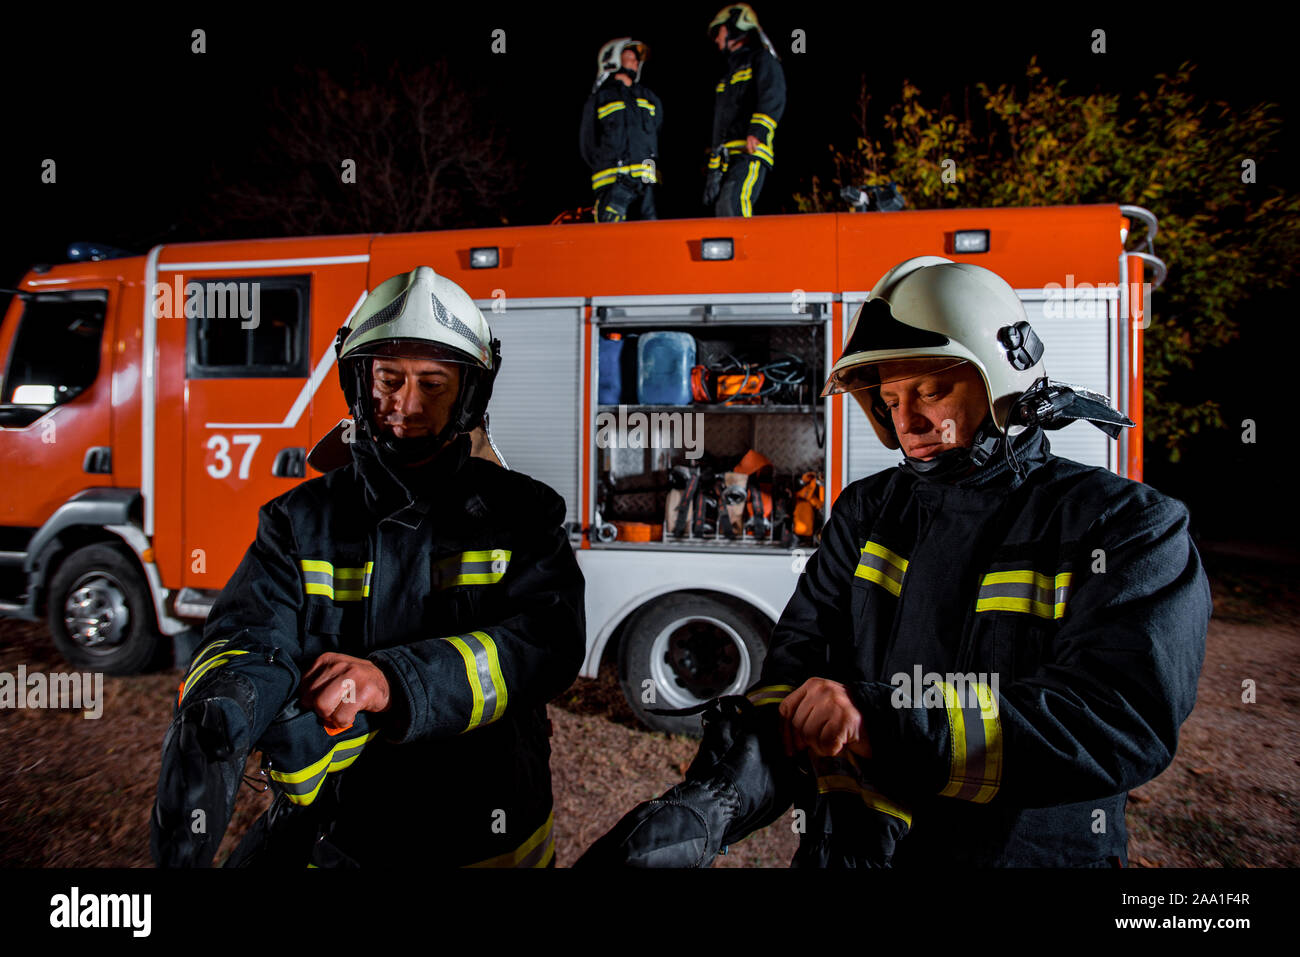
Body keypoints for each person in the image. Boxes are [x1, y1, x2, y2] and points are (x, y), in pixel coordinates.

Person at [577, 255, 1211, 867]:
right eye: (889, 399)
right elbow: (797, 670)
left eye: (932, 390)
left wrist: (880, 721)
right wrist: (718, 802)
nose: (907, 420)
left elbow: (1117, 721)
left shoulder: (1124, 525)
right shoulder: (868, 511)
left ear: (1000, 376)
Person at [151, 266, 586, 868]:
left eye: (433, 383)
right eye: (389, 378)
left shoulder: (521, 513)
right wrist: (231, 698)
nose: (406, 405)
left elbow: (548, 643)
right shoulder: (298, 519)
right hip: (345, 831)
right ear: (359, 380)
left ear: (468, 393)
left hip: (487, 834)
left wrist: (392, 680)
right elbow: (250, 631)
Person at [704, 4, 785, 217]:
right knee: (723, 211)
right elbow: (720, 124)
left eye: (719, 31)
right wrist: (713, 168)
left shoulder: (761, 59)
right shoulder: (727, 76)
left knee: (734, 205)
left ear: (735, 27)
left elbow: (773, 95)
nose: (716, 39)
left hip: (749, 152)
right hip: (729, 156)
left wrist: (758, 131)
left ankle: (748, 251)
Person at [580, 38, 662, 222]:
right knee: (612, 240)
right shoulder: (601, 98)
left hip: (645, 184)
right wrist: (606, 165)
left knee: (651, 239)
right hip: (612, 184)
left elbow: (655, 135)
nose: (635, 62)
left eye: (636, 59)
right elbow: (588, 142)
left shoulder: (648, 97)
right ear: (614, 60)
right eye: (629, 57)